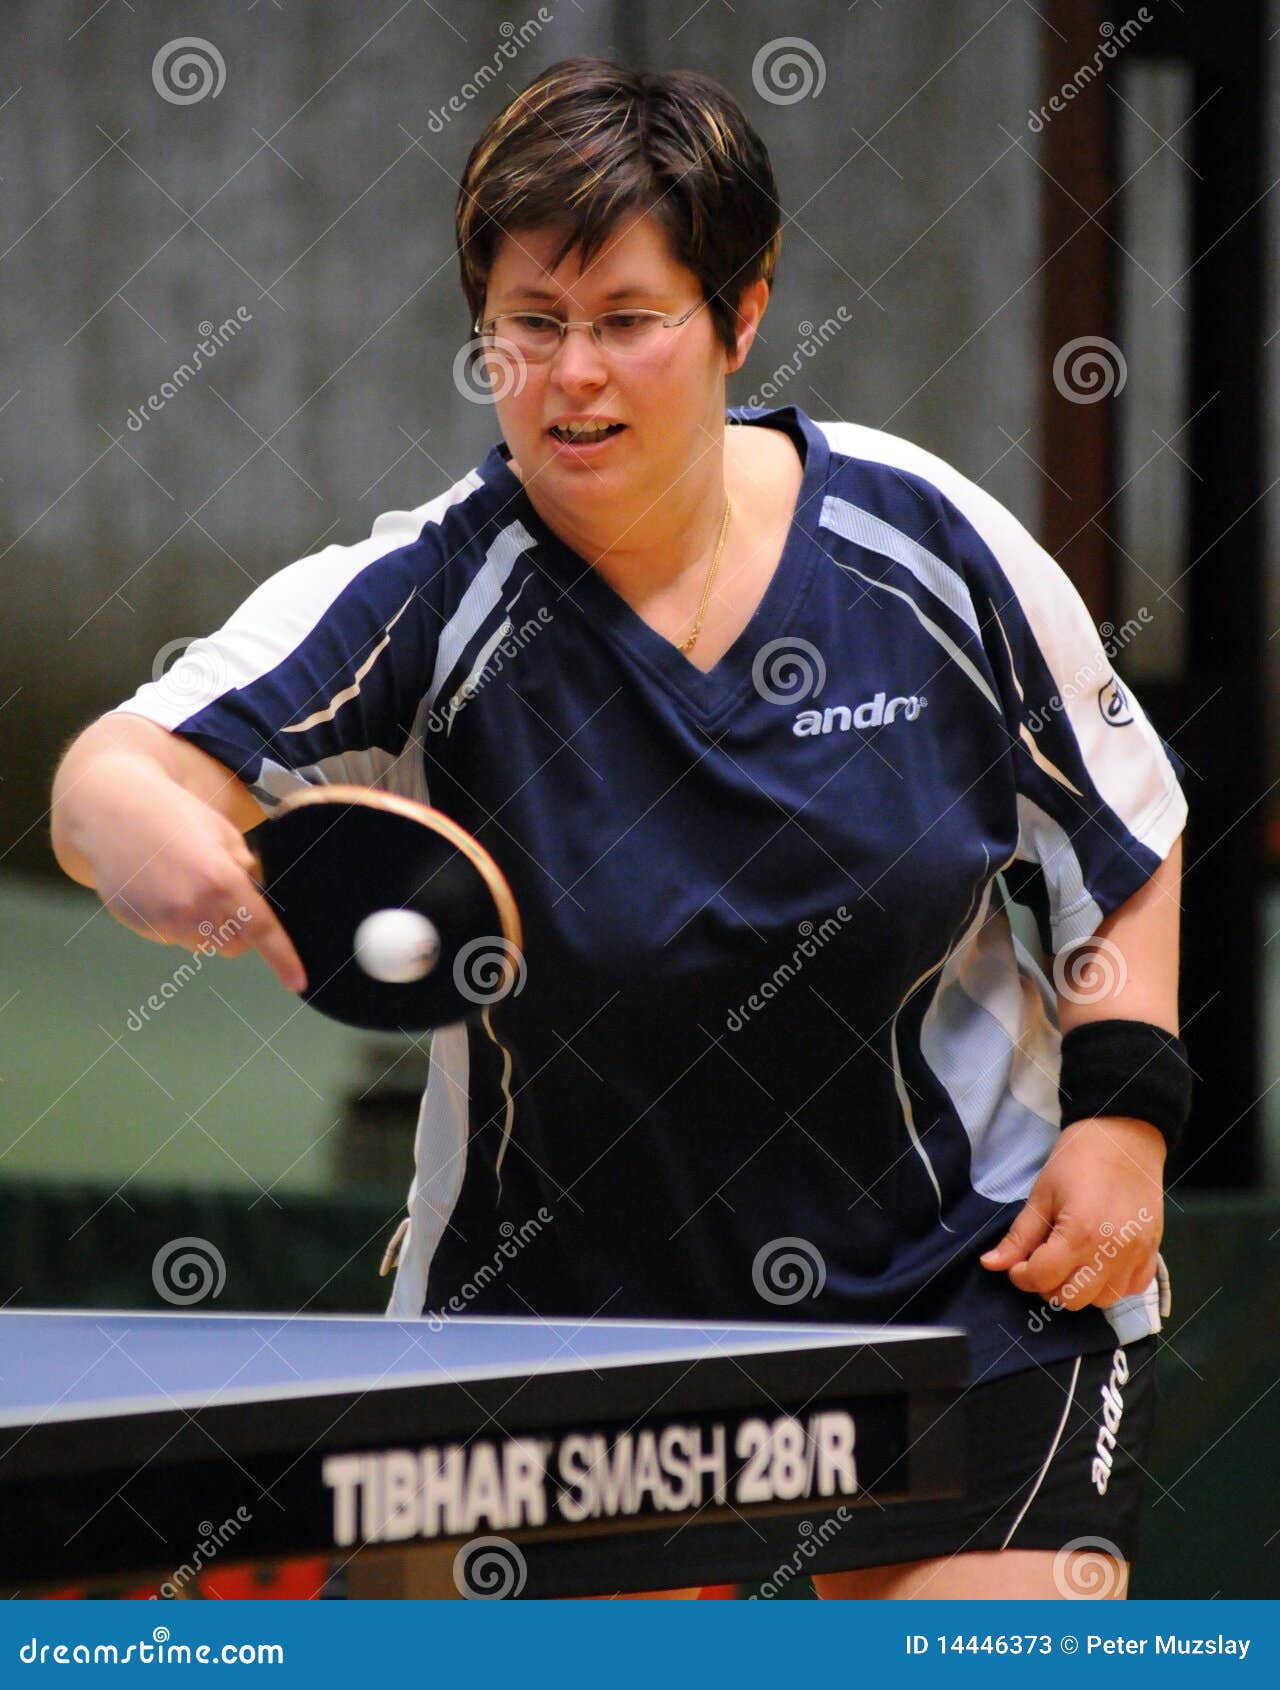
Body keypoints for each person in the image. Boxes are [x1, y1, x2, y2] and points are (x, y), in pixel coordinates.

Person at [50, 58, 1189, 1601]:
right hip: (573, 1334)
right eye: (529, 325)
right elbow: (119, 770)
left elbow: (1119, 833)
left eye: (627, 320)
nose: (571, 376)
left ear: (740, 312)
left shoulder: (926, 545)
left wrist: (1124, 1115)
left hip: (954, 1296)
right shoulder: (434, 593)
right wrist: (147, 832)